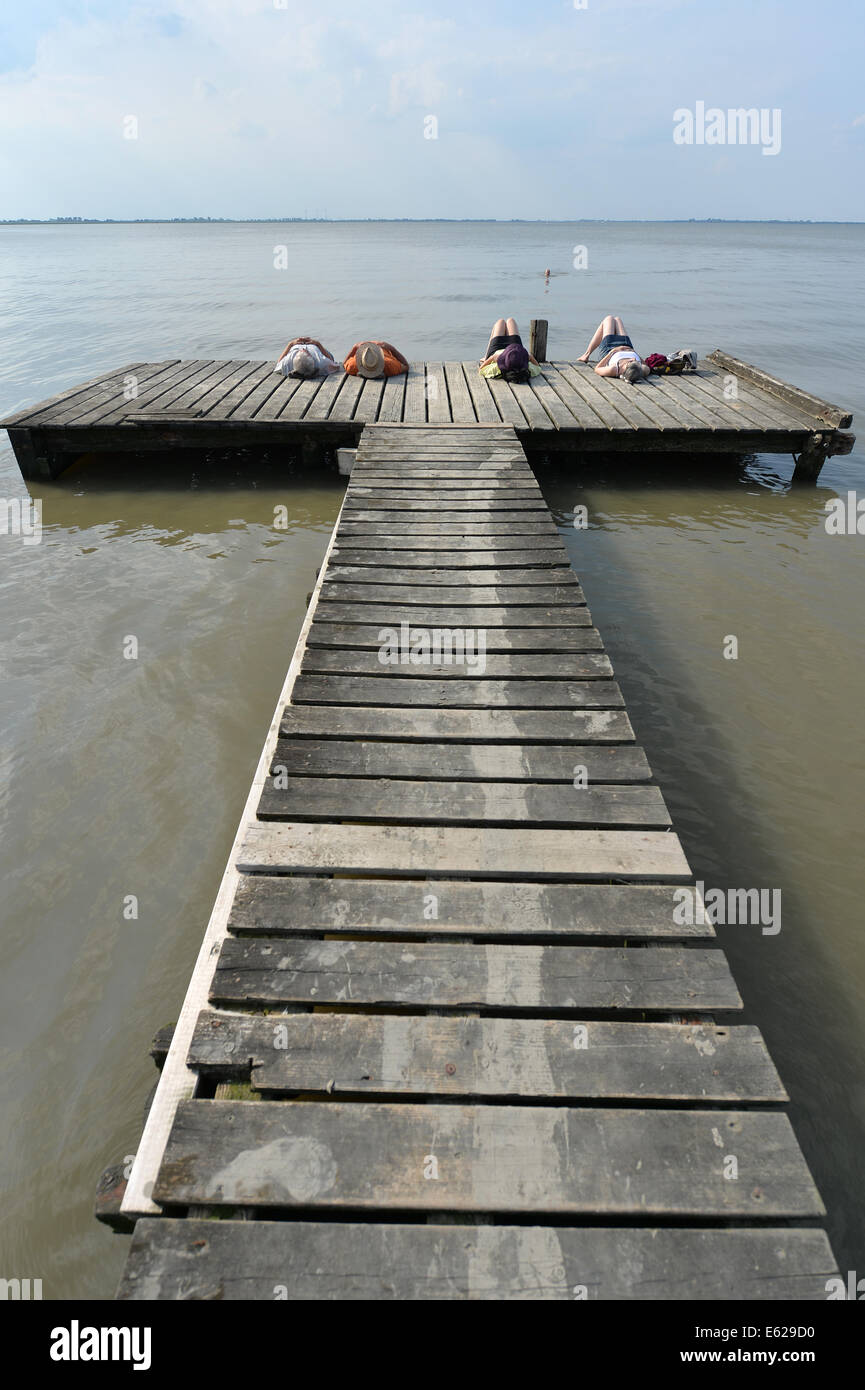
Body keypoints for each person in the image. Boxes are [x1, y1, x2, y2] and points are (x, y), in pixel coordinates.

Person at [577, 315, 649, 384]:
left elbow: (597, 369)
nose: (633, 358)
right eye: (636, 361)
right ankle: (586, 354)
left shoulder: (614, 369)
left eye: (631, 361)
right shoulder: (643, 370)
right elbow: (646, 365)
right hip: (626, 344)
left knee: (609, 319)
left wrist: (612, 352)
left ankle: (586, 354)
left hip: (609, 348)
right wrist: (635, 353)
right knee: (617, 319)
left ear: (626, 367)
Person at [479, 317, 541, 382]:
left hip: (497, 350)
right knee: (510, 320)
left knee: (500, 322)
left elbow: (481, 370)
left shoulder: (497, 368)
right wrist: (529, 357)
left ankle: (485, 356)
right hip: (515, 350)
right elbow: (538, 367)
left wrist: (492, 358)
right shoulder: (526, 369)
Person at [274, 337, 341, 378]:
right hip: (317, 348)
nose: (303, 349)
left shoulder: (288, 362)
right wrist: (318, 344)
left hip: (296, 345)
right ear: (312, 358)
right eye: (306, 352)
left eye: (299, 352)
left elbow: (278, 363)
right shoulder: (320, 362)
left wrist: (291, 344)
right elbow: (332, 362)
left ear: (294, 360)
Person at [343, 340, 409, 378]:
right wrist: (391, 348)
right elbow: (406, 365)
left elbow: (344, 364)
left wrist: (355, 347)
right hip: (380, 348)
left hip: (366, 350)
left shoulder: (353, 366)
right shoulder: (389, 366)